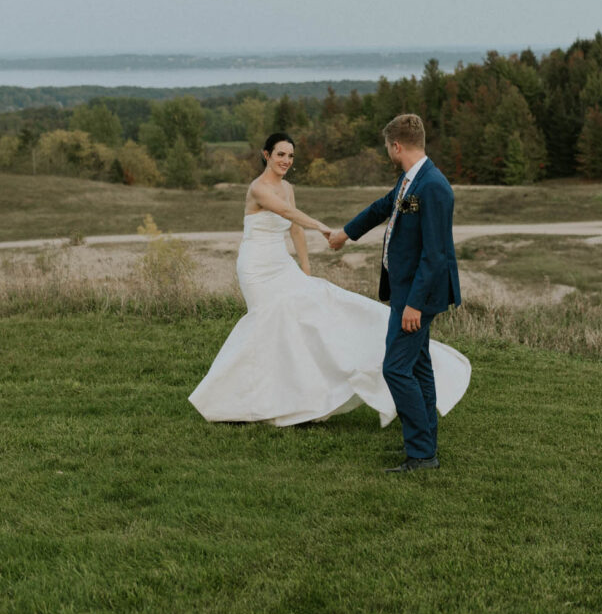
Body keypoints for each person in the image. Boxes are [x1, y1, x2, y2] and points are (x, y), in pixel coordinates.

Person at [188, 132, 470, 437]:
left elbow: (294, 229)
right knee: (267, 324)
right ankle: (235, 398)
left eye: (291, 156)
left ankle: (296, 400)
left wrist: (305, 269)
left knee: (310, 313)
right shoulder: (257, 188)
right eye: (280, 154)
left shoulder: (288, 188)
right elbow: (286, 213)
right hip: (256, 267)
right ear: (266, 154)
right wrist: (324, 228)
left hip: (282, 265)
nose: (286, 161)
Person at [328, 113, 463, 473]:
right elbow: (382, 208)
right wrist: (346, 232)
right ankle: (426, 444)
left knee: (395, 368)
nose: (388, 152)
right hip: (405, 289)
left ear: (396, 145)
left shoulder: (433, 186)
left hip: (418, 295)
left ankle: (420, 453)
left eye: (388, 147)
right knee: (418, 367)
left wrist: (414, 305)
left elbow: (435, 255)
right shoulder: (410, 180)